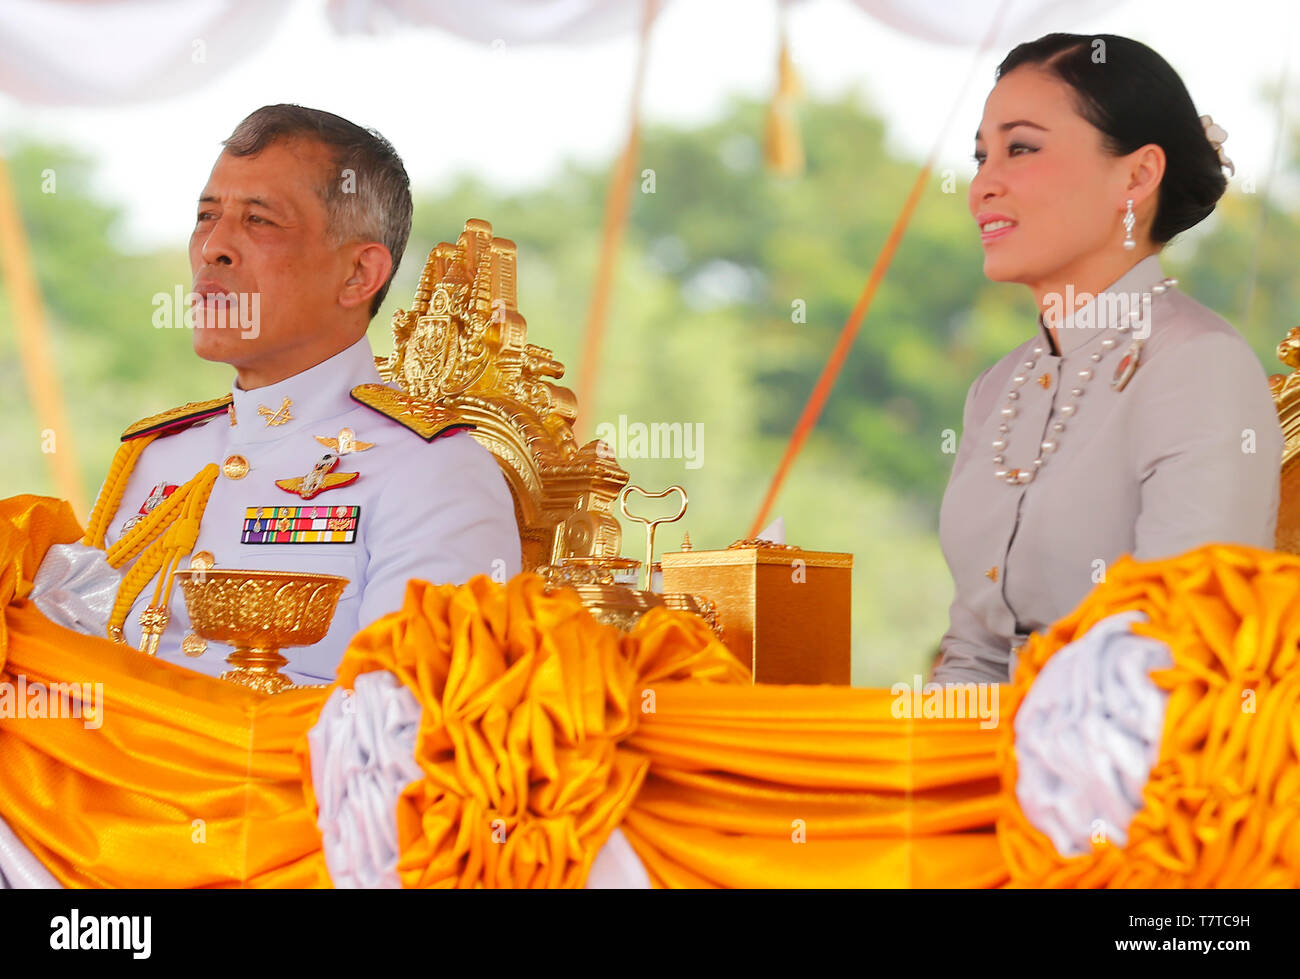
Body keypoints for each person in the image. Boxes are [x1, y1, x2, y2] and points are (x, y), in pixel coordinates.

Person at [82, 104, 521, 685]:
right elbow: (69, 653)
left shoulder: (433, 470)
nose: (213, 247)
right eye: (206, 215)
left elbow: (404, 725)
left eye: (260, 221)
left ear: (358, 275)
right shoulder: (156, 455)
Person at [934, 34, 1281, 685]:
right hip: (987, 759)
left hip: (1124, 762)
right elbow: (974, 652)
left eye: (1022, 148)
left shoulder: (1199, 367)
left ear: (1137, 175)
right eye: (981, 156)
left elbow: (1175, 652)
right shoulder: (996, 388)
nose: (982, 185)